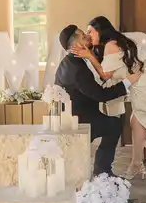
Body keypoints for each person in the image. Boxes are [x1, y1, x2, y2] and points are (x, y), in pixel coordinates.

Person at [70, 16, 146, 179]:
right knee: (142, 119)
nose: (88, 36)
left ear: (100, 30)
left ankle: (137, 164)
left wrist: (89, 56)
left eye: (90, 31)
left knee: (138, 121)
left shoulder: (110, 45)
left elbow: (105, 75)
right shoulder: (112, 43)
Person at [55, 25, 141, 177]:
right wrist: (128, 82)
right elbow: (101, 95)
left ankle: (101, 168)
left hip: (78, 114)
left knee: (113, 122)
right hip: (79, 120)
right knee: (114, 125)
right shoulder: (76, 69)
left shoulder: (69, 62)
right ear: (77, 45)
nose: (88, 37)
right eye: (83, 36)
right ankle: (102, 171)